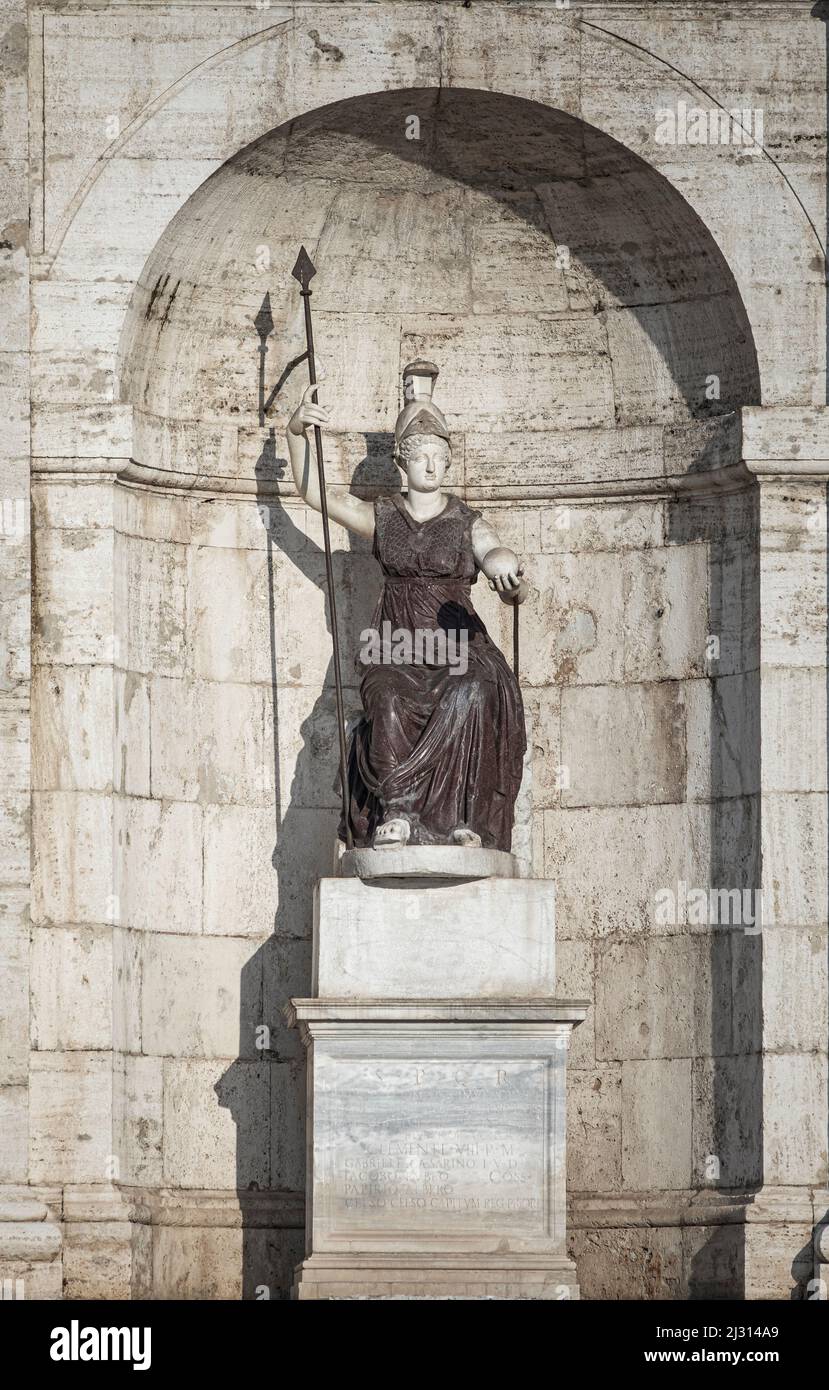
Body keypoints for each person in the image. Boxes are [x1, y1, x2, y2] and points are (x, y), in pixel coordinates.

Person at [286, 360, 527, 852]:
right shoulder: (383, 517)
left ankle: (465, 818)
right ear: (402, 461)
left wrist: (506, 570)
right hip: (396, 641)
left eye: (439, 455)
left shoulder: (465, 520)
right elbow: (314, 493)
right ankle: (396, 811)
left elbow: (495, 553)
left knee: (473, 694)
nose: (431, 465)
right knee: (388, 696)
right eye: (420, 455)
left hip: (458, 641)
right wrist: (295, 434)